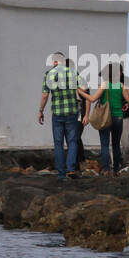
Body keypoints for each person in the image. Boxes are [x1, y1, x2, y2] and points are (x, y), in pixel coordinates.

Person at [82, 61, 129, 175]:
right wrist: (128, 93)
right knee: (116, 145)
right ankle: (116, 169)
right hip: (118, 118)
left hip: (105, 118)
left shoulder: (104, 85)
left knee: (105, 145)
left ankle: (106, 169)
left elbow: (92, 99)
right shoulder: (121, 85)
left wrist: (81, 92)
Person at [38, 52, 81, 180]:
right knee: (72, 142)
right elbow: (82, 90)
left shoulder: (48, 74)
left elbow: (45, 95)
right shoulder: (73, 72)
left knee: (58, 144)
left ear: (54, 61)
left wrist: (41, 110)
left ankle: (61, 174)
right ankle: (71, 168)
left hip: (57, 113)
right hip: (72, 112)